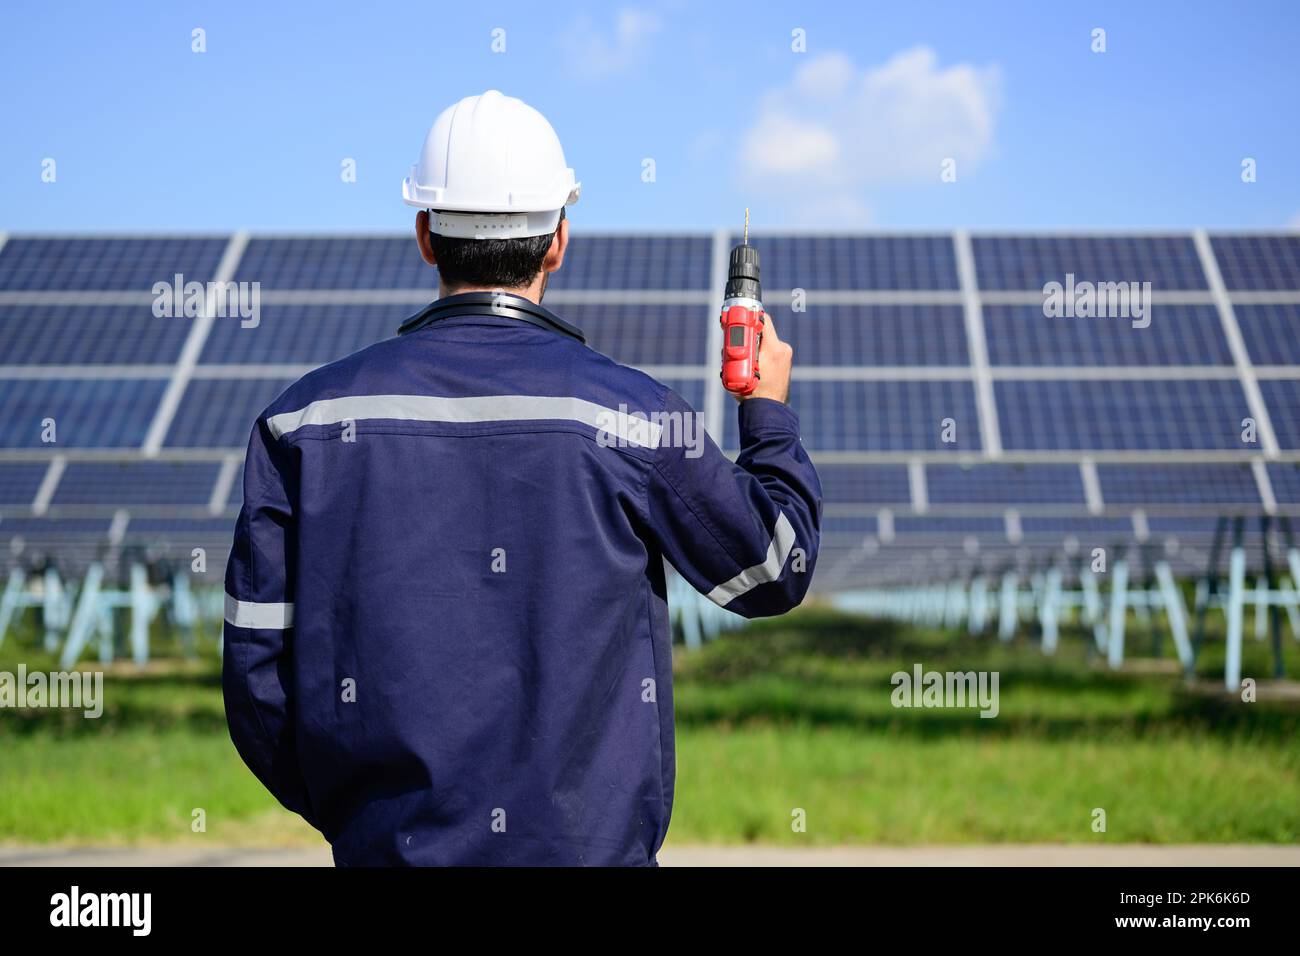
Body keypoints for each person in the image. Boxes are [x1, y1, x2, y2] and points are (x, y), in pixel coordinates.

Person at [222, 90, 822, 866]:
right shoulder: (636, 419)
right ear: (559, 240)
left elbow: (257, 678)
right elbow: (776, 569)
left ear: (424, 236)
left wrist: (364, 819)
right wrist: (766, 413)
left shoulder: (300, 424)